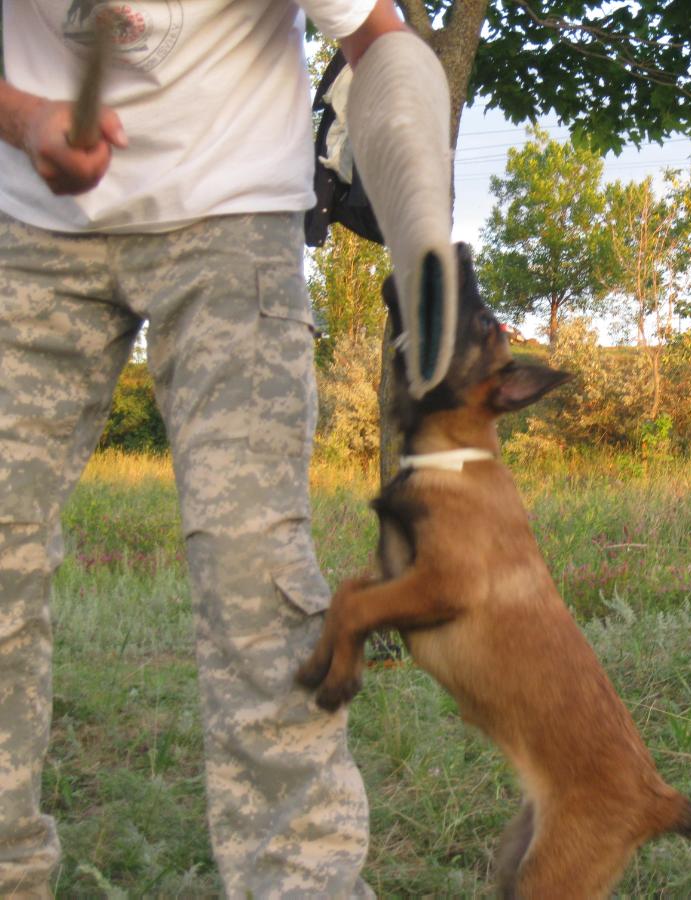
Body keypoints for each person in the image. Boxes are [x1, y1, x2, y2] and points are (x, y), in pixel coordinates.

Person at [0, 0, 450, 894]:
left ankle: (301, 884)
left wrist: (423, 244)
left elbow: (381, 42)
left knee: (255, 566)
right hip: (30, 226)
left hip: (231, 214)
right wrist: (24, 117)